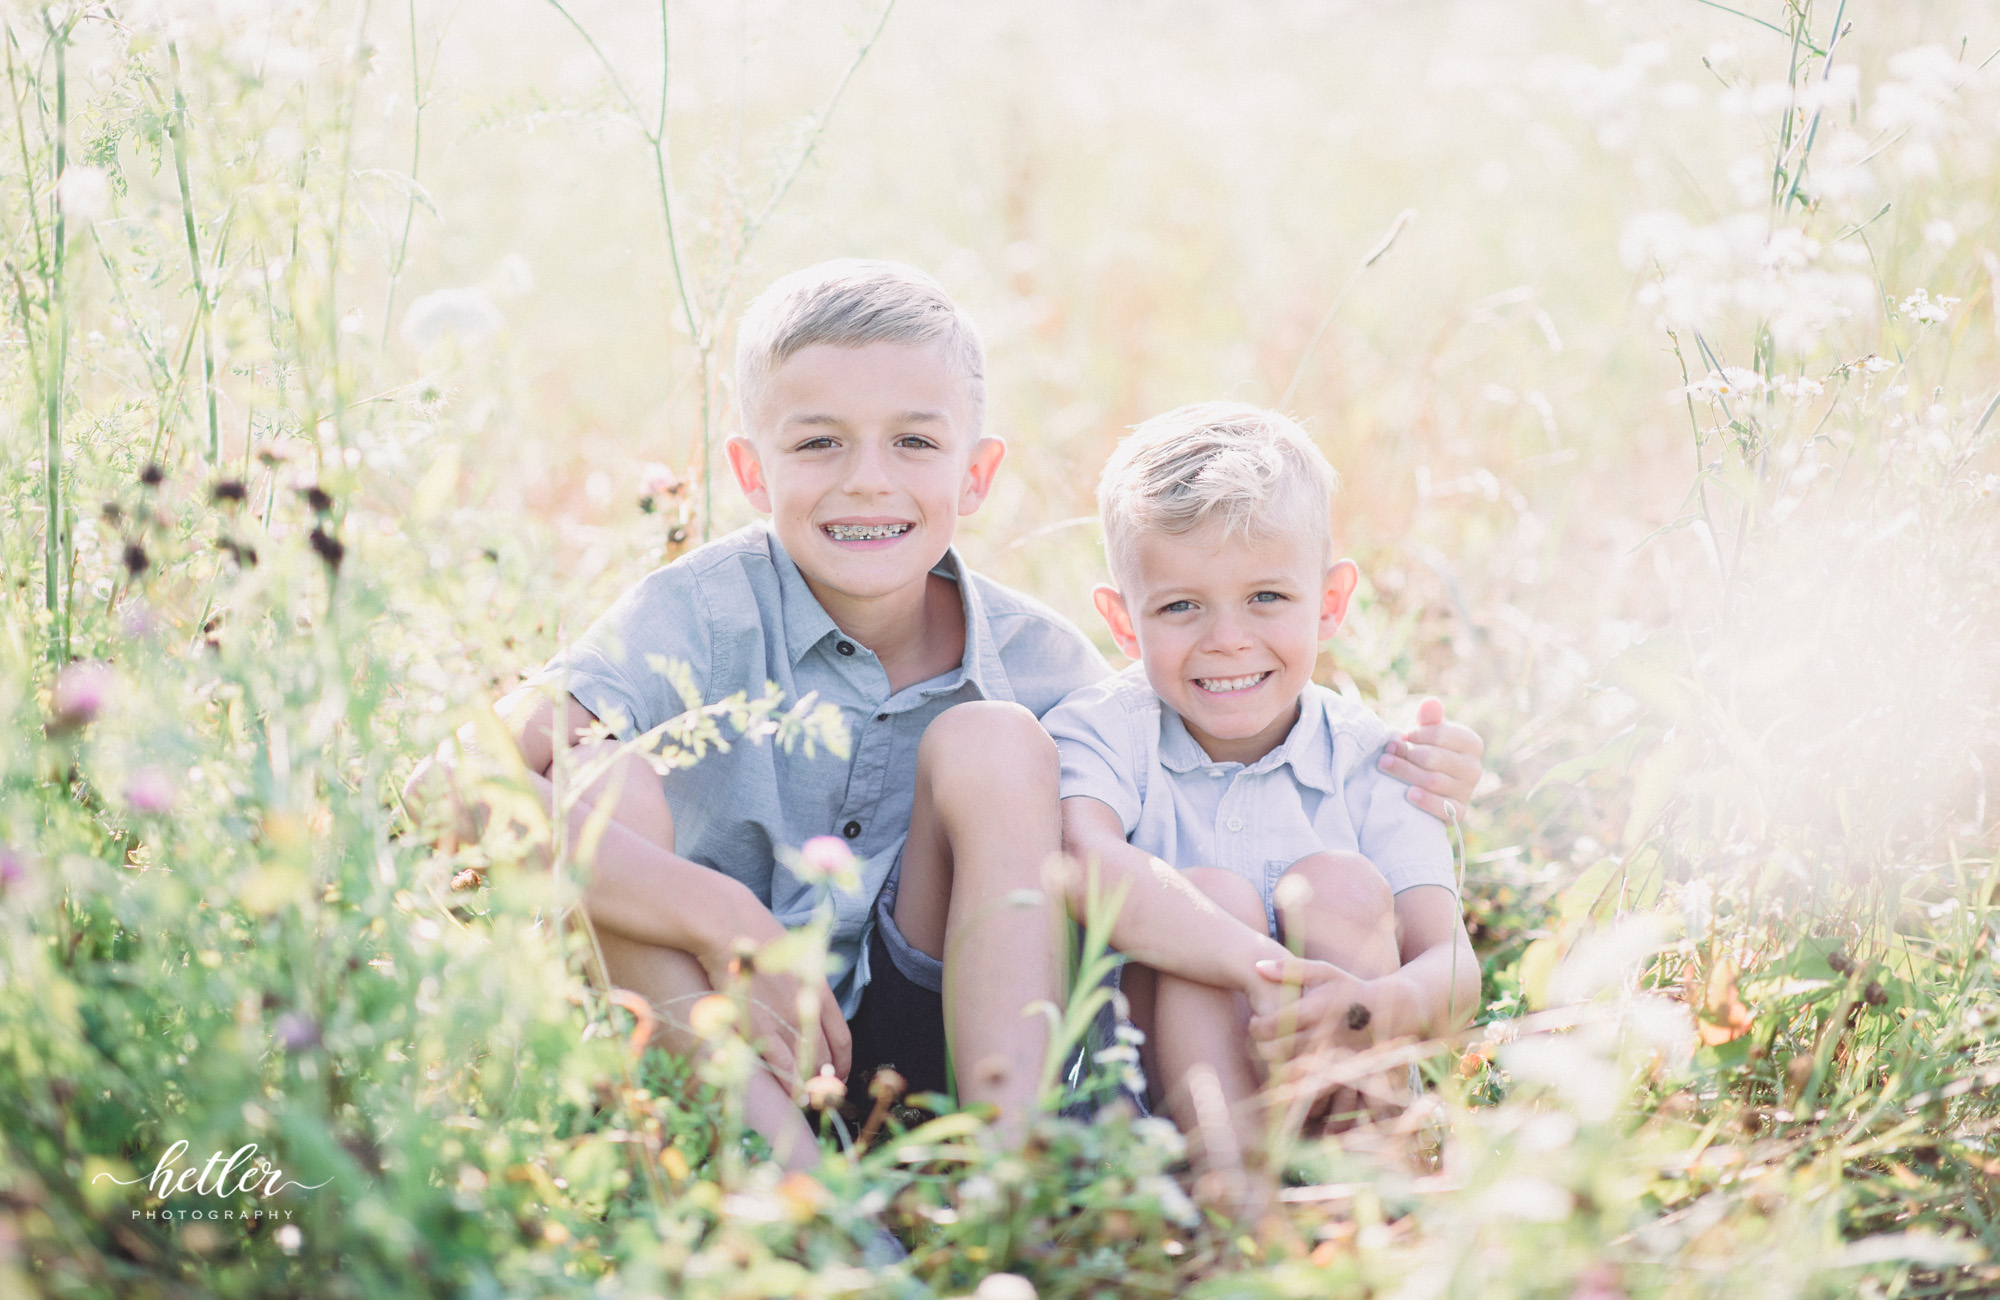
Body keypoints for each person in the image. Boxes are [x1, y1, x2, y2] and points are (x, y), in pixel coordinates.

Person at [406, 262, 1484, 1173]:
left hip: (937, 1050)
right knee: (600, 781)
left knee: (995, 741)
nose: (867, 483)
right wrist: (718, 914)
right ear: (750, 471)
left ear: (975, 474)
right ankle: (787, 1199)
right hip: (720, 1018)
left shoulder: (1043, 663)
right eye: (818, 444)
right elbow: (447, 786)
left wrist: (1408, 755)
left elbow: (1220, 737)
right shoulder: (695, 611)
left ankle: (1007, 1184)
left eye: (914, 443)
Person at [1045, 401, 1480, 1210]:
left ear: (1330, 601)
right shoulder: (1103, 732)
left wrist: (1380, 1005)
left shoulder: (1376, 759)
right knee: (1209, 897)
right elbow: (1082, 863)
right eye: (1181, 606)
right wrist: (1256, 964)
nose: (1228, 639)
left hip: (1337, 1074)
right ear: (1124, 623)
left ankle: (1367, 1188)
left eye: (1267, 597)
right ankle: (1230, 1199)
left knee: (1340, 885)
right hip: (1154, 1117)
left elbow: (1452, 967)